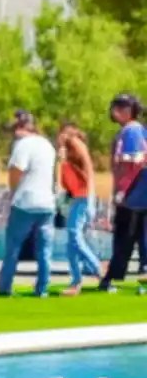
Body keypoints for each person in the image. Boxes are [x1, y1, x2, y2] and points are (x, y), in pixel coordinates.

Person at [0, 110, 57, 297]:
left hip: (26, 202)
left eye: (14, 129)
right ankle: (42, 288)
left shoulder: (23, 145)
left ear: (21, 127)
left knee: (13, 246)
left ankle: (5, 286)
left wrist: (13, 192)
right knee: (44, 249)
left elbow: (16, 171)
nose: (13, 135)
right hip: (47, 203)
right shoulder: (48, 145)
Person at [100, 94, 147, 292]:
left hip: (134, 195)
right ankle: (123, 275)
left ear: (128, 110)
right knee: (140, 237)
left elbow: (134, 165)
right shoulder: (137, 131)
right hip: (139, 194)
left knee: (124, 236)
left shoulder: (132, 131)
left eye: (117, 107)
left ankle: (112, 278)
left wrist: (122, 190)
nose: (113, 111)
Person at [57, 123, 101, 295]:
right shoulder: (65, 158)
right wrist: (61, 160)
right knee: (71, 242)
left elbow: (88, 172)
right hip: (76, 199)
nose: (59, 138)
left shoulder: (76, 146)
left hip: (83, 198)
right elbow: (64, 183)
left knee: (74, 235)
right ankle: (76, 281)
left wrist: (90, 198)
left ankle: (98, 270)